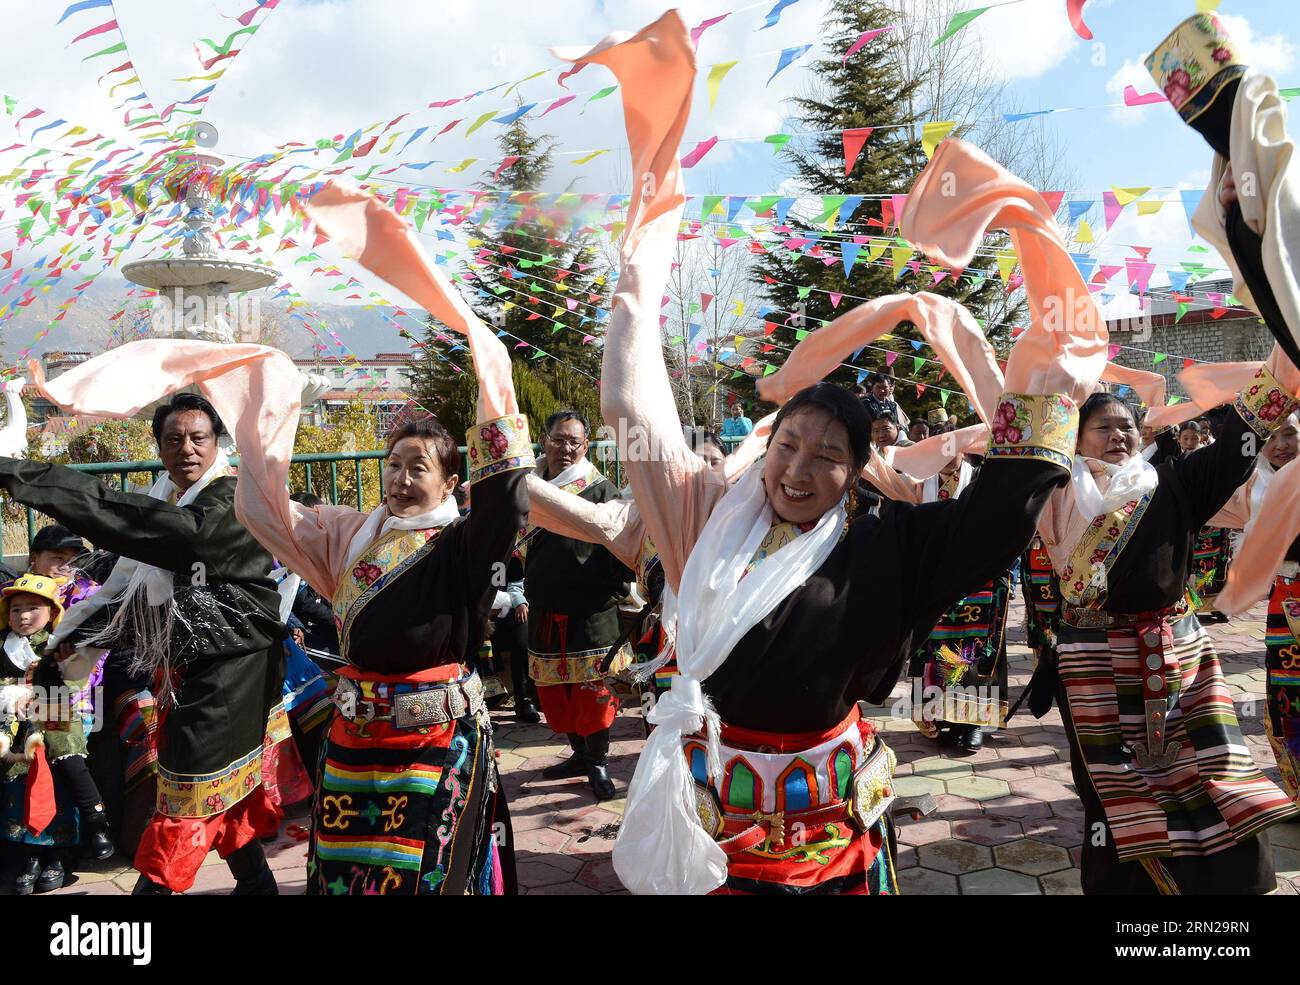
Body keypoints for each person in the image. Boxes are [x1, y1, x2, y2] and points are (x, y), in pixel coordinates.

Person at [575, 13, 1094, 895]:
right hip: (712, 818)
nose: (795, 468)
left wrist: (1041, 301)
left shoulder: (887, 545)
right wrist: (641, 261)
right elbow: (629, 407)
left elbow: (1002, 510)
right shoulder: (703, 514)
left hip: (831, 832)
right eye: (787, 444)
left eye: (825, 455)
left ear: (858, 472)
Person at [0, 393, 287, 895]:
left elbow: (146, 529)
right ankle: (258, 883)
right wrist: (66, 652)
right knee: (214, 787)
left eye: (199, 437)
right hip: (190, 667)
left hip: (234, 669)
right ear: (158, 447)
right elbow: (123, 595)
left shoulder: (233, 499)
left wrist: (20, 475)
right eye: (173, 439)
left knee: (187, 792)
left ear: (217, 441)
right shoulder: (166, 498)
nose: (187, 449)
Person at [1028, 382, 1300, 894]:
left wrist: (1281, 375)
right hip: (1093, 659)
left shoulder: (1175, 481)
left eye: (1126, 425)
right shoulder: (1055, 489)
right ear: (1077, 438)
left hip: (1180, 649)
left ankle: (1226, 886)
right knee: (1111, 785)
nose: (1117, 434)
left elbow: (1234, 449)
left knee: (1214, 764)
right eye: (1102, 426)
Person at [524, 410, 633, 802]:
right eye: (558, 438)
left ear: (586, 446)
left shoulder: (602, 490)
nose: (565, 448)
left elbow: (624, 546)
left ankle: (598, 761)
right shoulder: (528, 487)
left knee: (593, 694)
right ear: (544, 439)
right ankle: (577, 754)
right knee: (556, 690)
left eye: (574, 441)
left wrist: (610, 592)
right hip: (543, 610)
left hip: (592, 613)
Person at [0, 574, 115, 893]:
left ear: (52, 611)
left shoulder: (62, 644)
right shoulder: (4, 646)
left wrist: (44, 694)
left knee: (61, 767)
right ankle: (31, 855)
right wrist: (12, 696)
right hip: (15, 719)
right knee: (19, 784)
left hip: (59, 713)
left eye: (32, 608)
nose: (22, 616)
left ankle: (63, 850)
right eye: (15, 609)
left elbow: (77, 681)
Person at [908, 455, 1013, 752]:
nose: (946, 458)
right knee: (933, 650)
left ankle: (971, 723)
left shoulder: (980, 476)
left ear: (962, 451)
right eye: (938, 451)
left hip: (977, 578)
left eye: (951, 450)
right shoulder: (918, 484)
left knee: (973, 651)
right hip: (933, 578)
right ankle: (937, 717)